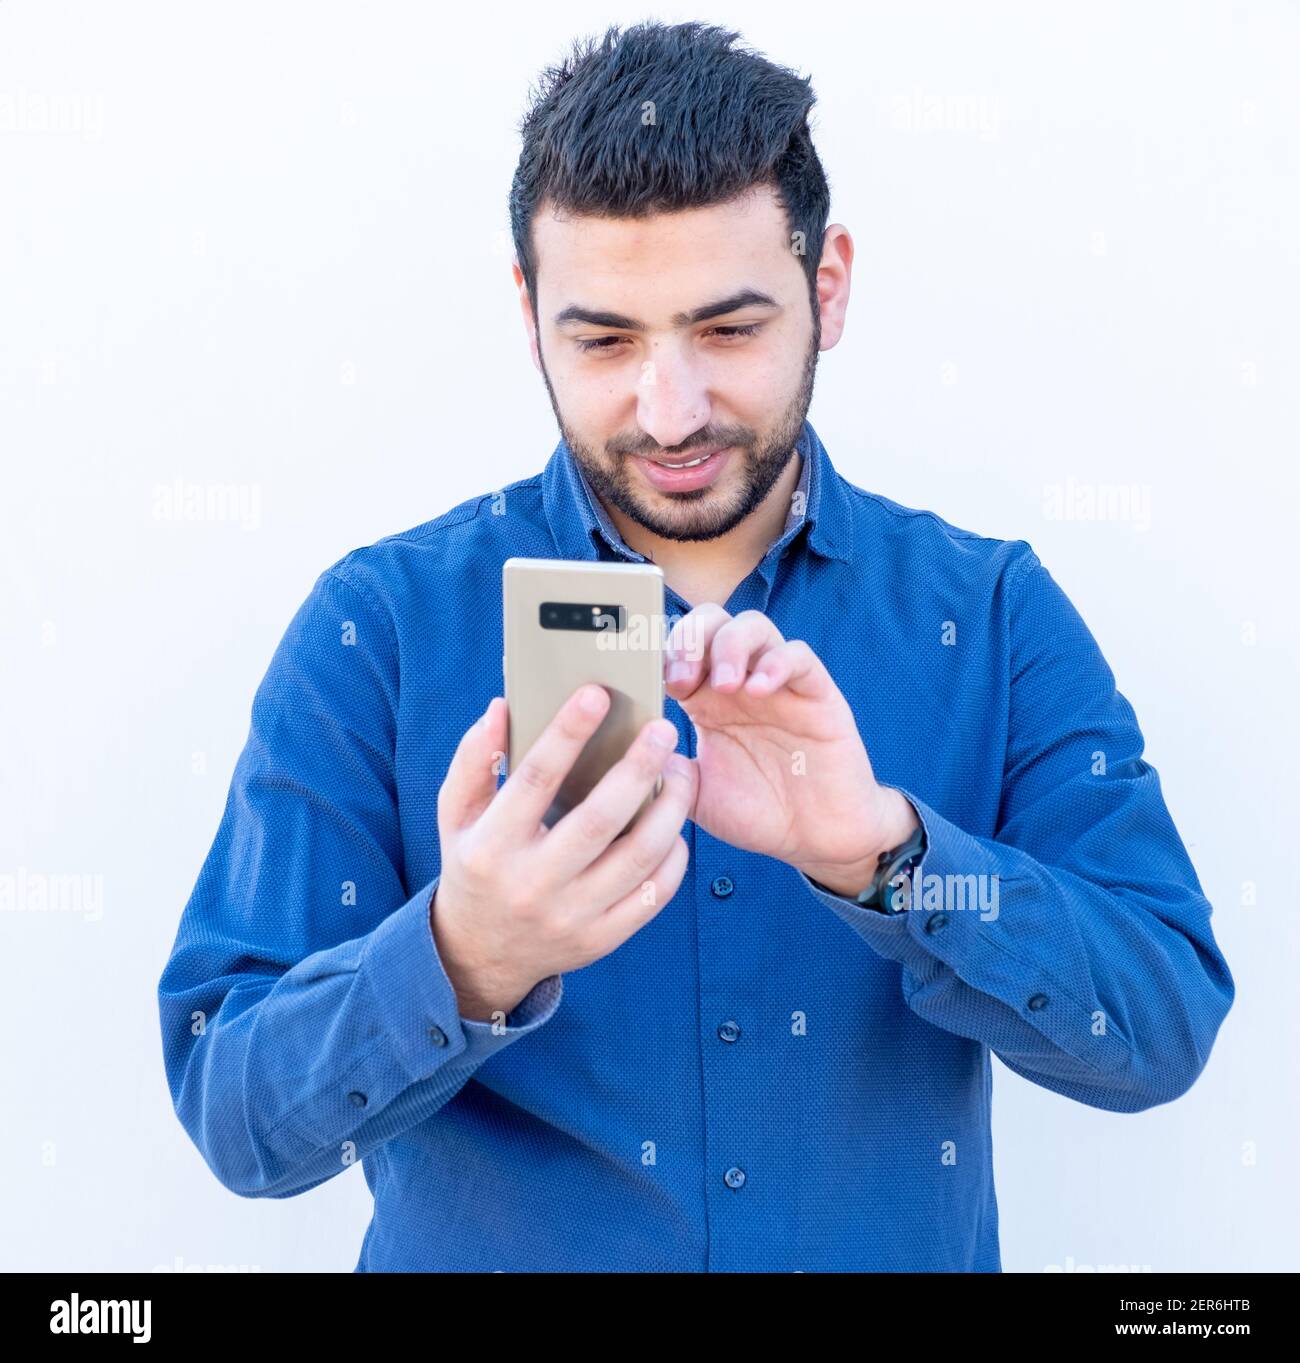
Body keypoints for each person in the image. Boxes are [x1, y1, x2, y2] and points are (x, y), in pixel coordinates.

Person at [158, 20, 1233, 1272]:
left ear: (827, 285)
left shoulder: (988, 611)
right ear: (528, 311)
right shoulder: (379, 627)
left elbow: (1159, 1022)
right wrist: (463, 956)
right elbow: (238, 1116)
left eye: (728, 330)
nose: (669, 412)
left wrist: (892, 864)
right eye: (603, 340)